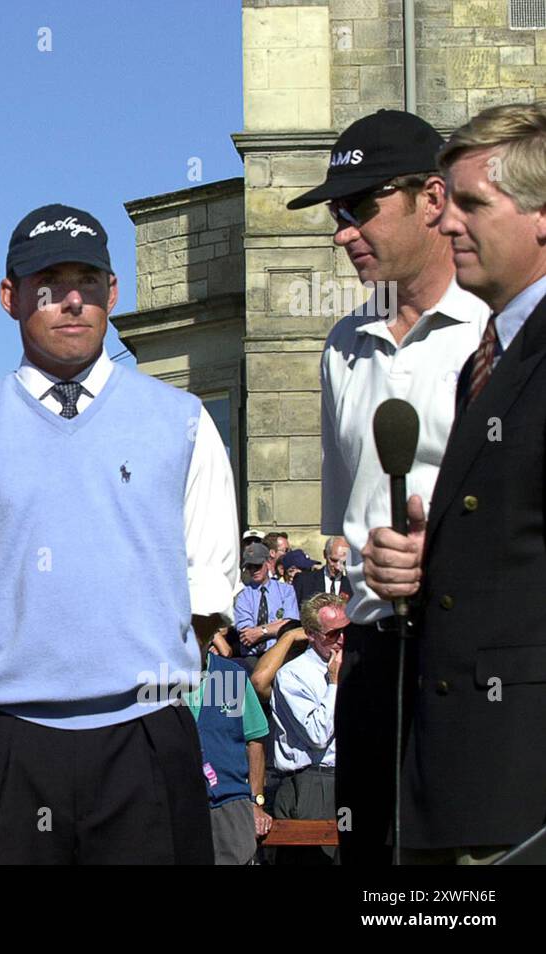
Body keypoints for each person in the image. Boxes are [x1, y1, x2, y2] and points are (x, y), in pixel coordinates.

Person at [0, 203, 238, 864]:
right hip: (7, 749)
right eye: (49, 284)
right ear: (11, 297)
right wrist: (20, 684)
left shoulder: (181, 421)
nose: (73, 301)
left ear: (114, 292)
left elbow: (209, 591)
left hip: (145, 741)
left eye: (88, 281)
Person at [287, 109, 490, 865]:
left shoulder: (497, 331)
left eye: (360, 205)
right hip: (371, 654)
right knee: (373, 857)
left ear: (432, 200)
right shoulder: (343, 346)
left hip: (474, 653)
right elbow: (348, 512)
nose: (342, 230)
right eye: (336, 212)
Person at [364, 103, 546, 864]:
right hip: (453, 773)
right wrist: (415, 561)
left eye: (472, 203)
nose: (448, 224)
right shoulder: (493, 353)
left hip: (521, 785)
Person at [269, 593, 346, 865]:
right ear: (311, 635)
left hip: (345, 778)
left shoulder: (352, 664)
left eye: (345, 631)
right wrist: (334, 684)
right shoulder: (293, 675)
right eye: (332, 634)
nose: (341, 640)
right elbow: (316, 734)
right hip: (313, 781)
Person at [188, 624, 271, 864]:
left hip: (229, 802)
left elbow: (254, 741)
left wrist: (256, 801)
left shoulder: (231, 676)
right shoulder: (159, 679)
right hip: (178, 802)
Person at [233, 542, 300, 658]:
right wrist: (278, 625)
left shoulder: (286, 591)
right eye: (250, 567)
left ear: (268, 563)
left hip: (280, 653)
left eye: (257, 565)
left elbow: (290, 626)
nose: (254, 570)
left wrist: (261, 631)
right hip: (252, 656)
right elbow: (247, 635)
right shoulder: (243, 596)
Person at [294, 537, 353, 605]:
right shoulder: (304, 581)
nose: (338, 567)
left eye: (343, 562)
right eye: (334, 560)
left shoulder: (352, 586)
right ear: (325, 554)